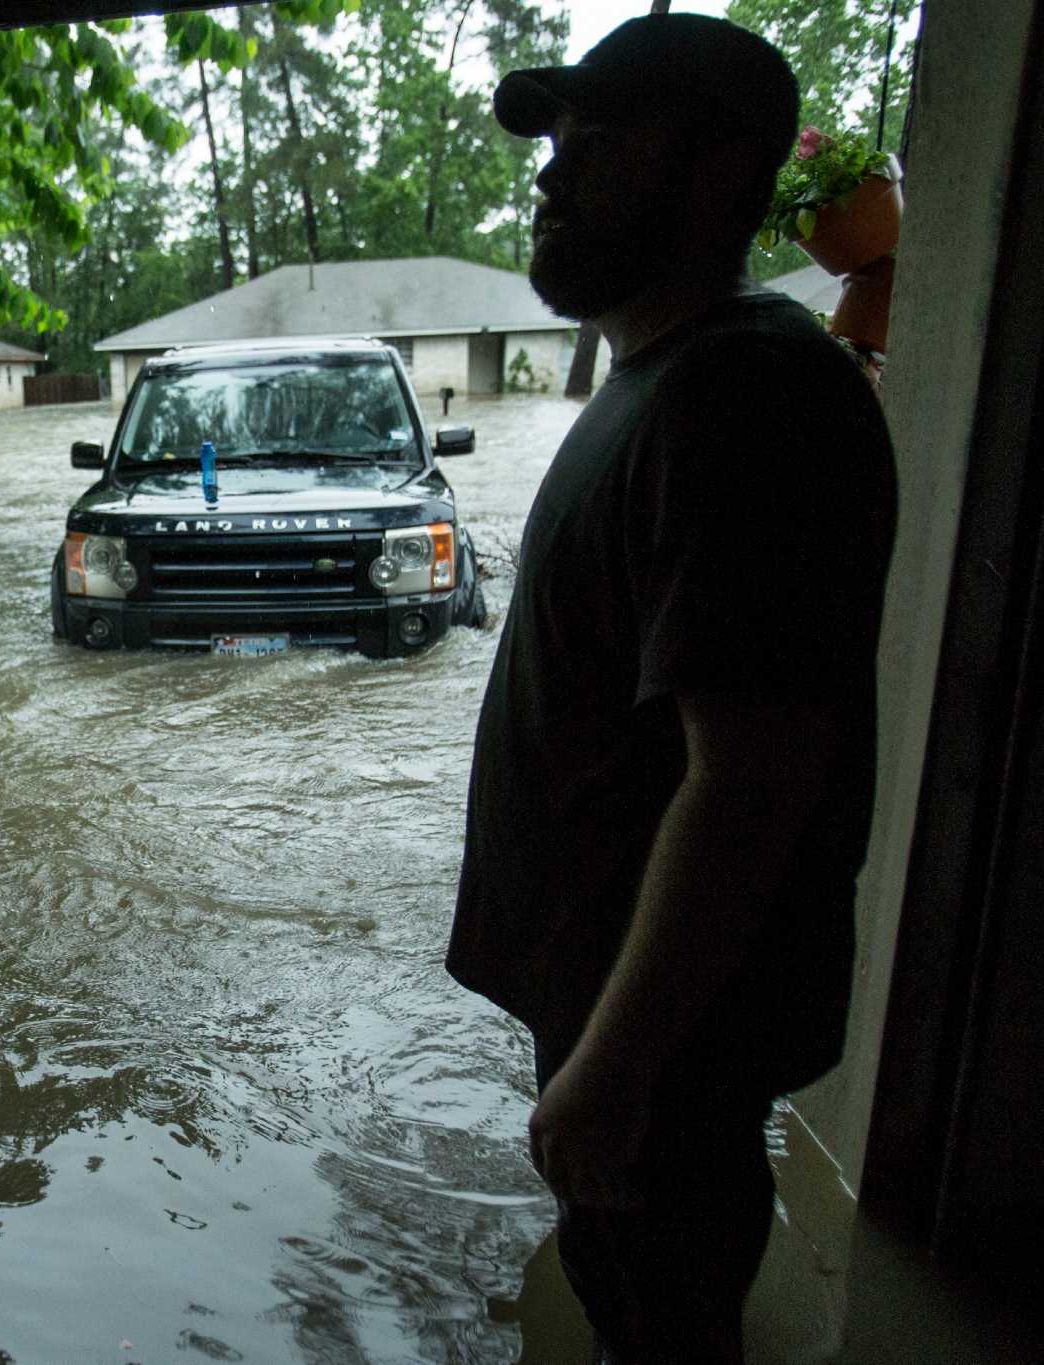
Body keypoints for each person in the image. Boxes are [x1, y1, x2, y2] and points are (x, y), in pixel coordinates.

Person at [447, 16, 896, 1363]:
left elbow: (753, 773)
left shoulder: (747, 396)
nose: (552, 175)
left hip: (671, 1035)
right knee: (638, 1289)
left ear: (721, 172)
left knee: (664, 1314)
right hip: (636, 1005)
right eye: (554, 143)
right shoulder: (662, 375)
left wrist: (620, 1064)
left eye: (598, 142)